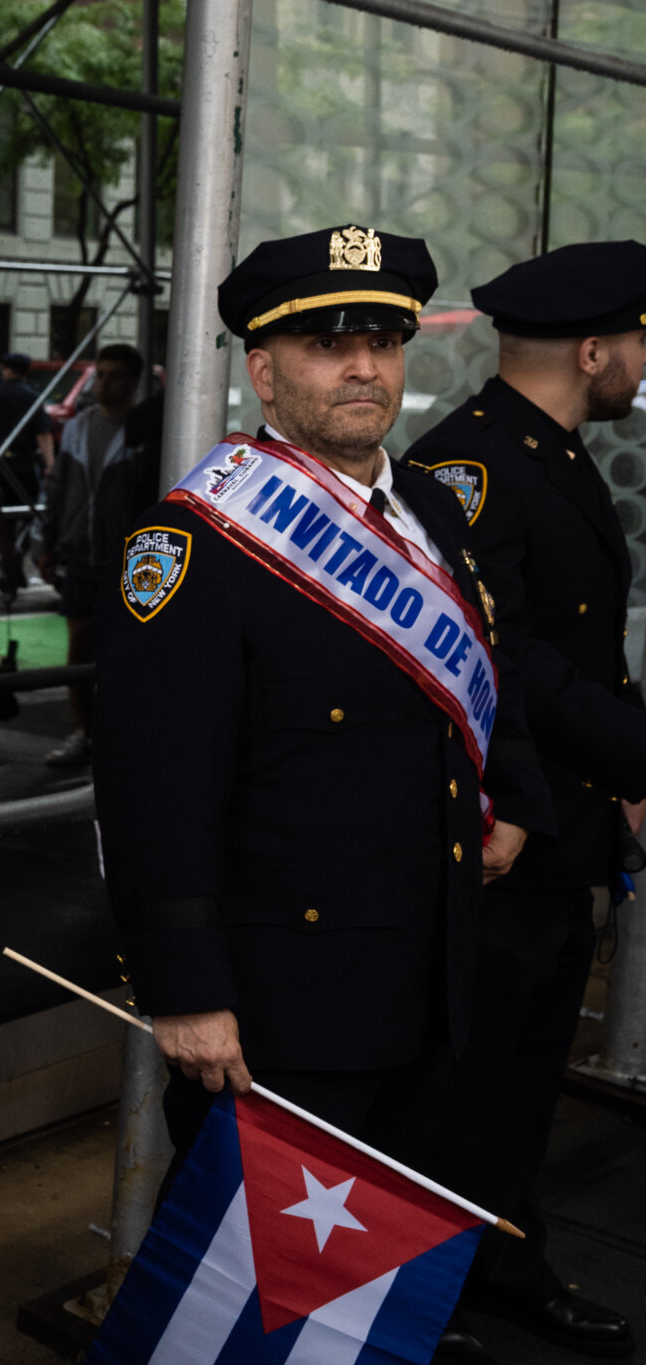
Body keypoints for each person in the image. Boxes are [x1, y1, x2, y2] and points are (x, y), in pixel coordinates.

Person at [93, 229, 553, 1352]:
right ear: (262, 370)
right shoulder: (196, 542)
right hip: (280, 1001)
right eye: (324, 342)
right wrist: (184, 989)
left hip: (424, 969)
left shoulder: (431, 516)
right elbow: (153, 784)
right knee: (246, 1296)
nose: (362, 367)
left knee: (358, 1283)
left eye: (382, 340)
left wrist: (516, 799)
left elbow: (482, 683)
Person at [404, 241, 645, 1359]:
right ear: (592, 349)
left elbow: (578, 652)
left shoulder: (544, 451)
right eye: (635, 344)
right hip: (500, 830)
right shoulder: (468, 465)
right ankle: (421, 1293)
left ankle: (500, 1258)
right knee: (460, 1075)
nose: (639, 366)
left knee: (519, 1073)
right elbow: (505, 660)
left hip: (563, 820)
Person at [39, 343, 144, 767]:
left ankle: (120, 732)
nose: (103, 383)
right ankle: (84, 731)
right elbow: (58, 488)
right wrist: (48, 542)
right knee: (79, 644)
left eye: (114, 375)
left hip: (127, 557)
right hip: (82, 551)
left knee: (124, 649)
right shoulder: (81, 426)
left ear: (133, 382)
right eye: (100, 374)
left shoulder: (143, 433)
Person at [0, 351, 55, 600]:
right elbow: (43, 434)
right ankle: (16, 558)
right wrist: (50, 464)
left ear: (6, 370)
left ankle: (9, 562)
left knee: (3, 523)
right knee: (30, 516)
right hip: (23, 467)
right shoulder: (32, 398)